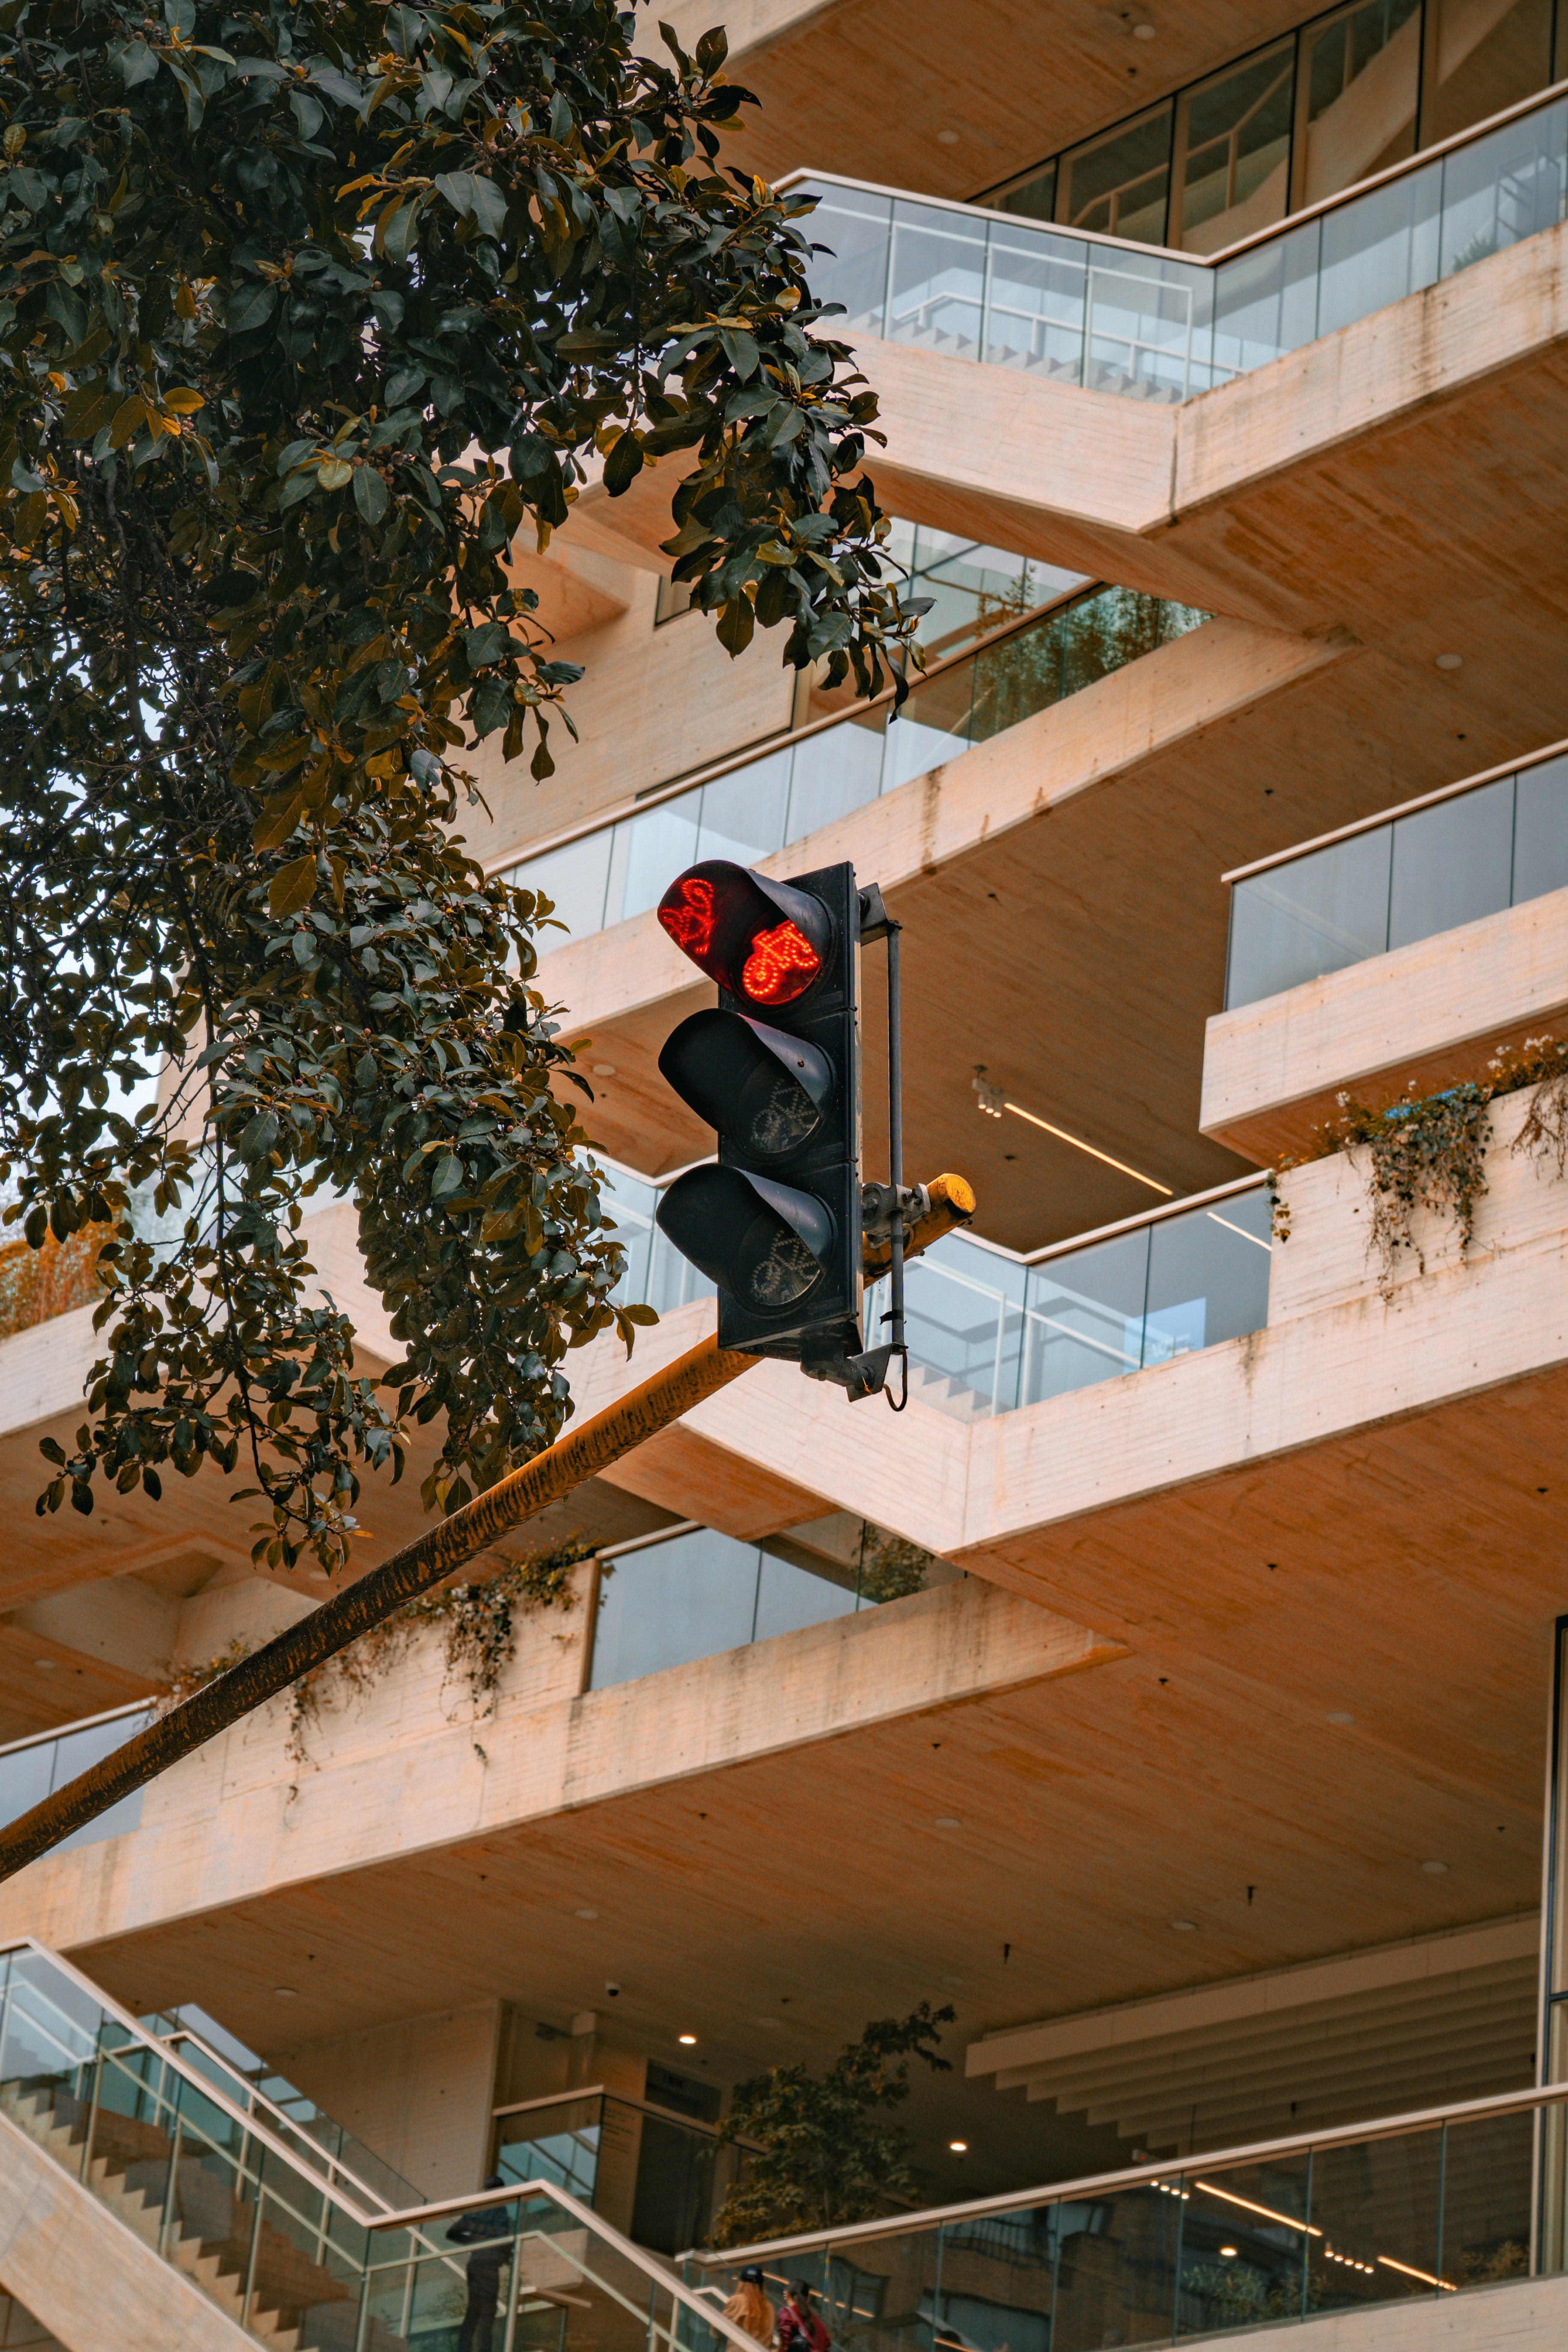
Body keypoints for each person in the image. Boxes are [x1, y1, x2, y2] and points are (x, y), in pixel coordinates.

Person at [447, 2173, 513, 2352]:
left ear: (484, 2190)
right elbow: (503, 2237)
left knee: (473, 2311)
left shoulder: (474, 2211)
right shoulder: (500, 2210)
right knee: (488, 2312)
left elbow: (452, 2233)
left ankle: (464, 2349)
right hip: (489, 2264)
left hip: (475, 2263)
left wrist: (474, 2244)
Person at [721, 2264, 776, 2346]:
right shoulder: (769, 2307)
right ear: (761, 2285)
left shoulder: (736, 2300)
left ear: (741, 2283)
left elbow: (718, 2329)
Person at [777, 2281, 829, 2352]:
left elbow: (785, 2345)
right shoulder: (817, 2320)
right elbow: (826, 2345)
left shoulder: (786, 2313)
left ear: (787, 2295)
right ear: (808, 2298)